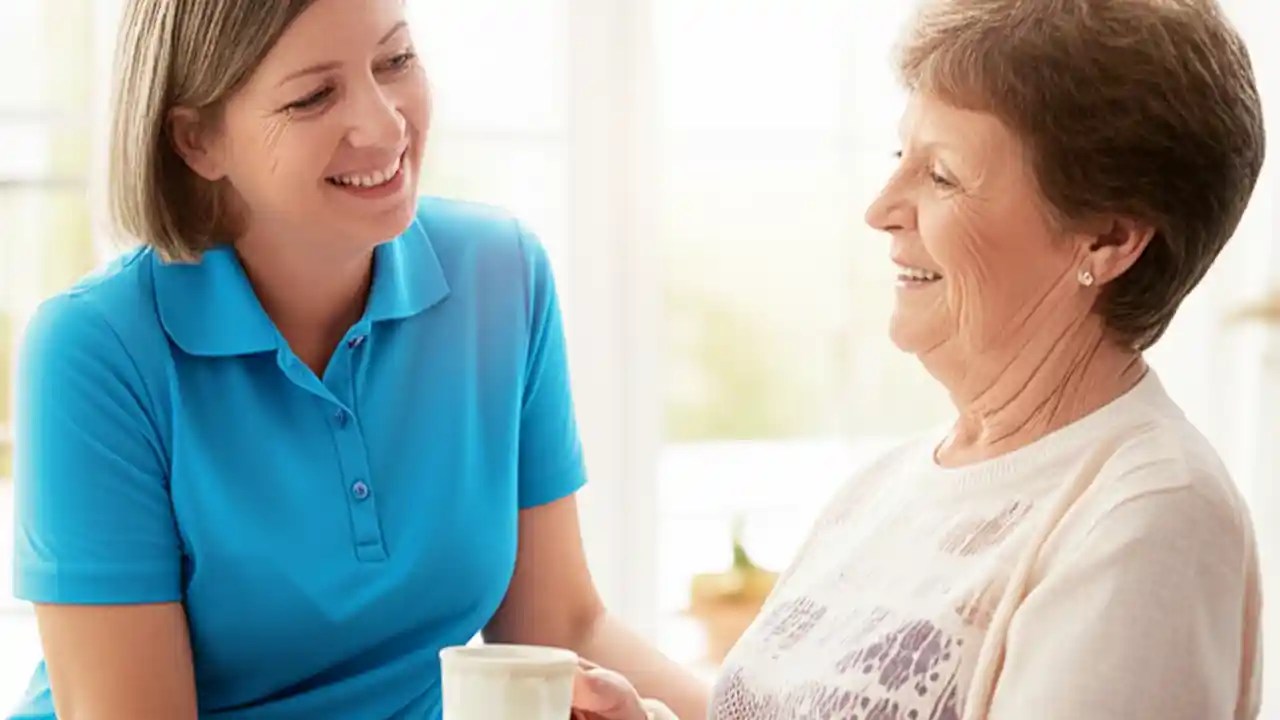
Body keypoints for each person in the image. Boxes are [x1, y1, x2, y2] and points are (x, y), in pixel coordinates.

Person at [7, 1, 707, 718]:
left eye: (395, 61)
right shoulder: (96, 352)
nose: (384, 124)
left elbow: (560, 628)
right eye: (313, 96)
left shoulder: (501, 276)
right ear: (197, 140)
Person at [587, 0, 1267, 718]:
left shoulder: (1150, 514)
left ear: (1109, 236)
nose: (881, 207)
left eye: (941, 176)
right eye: (898, 158)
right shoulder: (884, 491)